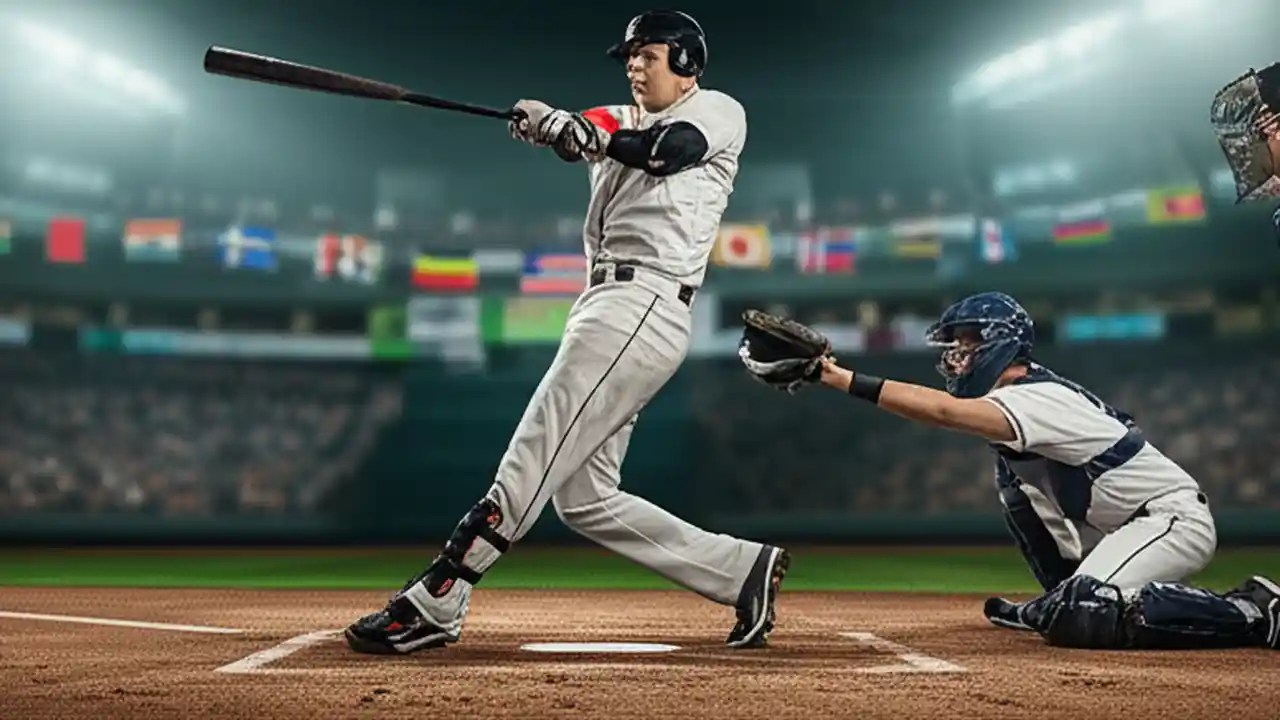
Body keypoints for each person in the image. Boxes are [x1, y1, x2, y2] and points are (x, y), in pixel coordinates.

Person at [345, 9, 788, 655]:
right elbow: (591, 129)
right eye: (629, 56)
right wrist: (555, 125)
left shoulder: (718, 110)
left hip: (644, 301)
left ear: (687, 60)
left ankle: (441, 595)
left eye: (649, 53)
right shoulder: (618, 117)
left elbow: (669, 152)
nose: (635, 64)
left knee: (534, 451)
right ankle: (740, 569)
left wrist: (582, 133)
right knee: (583, 497)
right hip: (607, 304)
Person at [746, 292, 1278, 650]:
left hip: (1171, 520)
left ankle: (1252, 611)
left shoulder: (1036, 397)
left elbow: (945, 412)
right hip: (1142, 526)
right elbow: (1045, 534)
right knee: (1071, 600)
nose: (955, 356)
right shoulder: (1012, 434)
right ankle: (1080, 607)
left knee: (1087, 609)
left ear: (1001, 342)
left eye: (966, 343)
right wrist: (1051, 602)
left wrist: (836, 376)